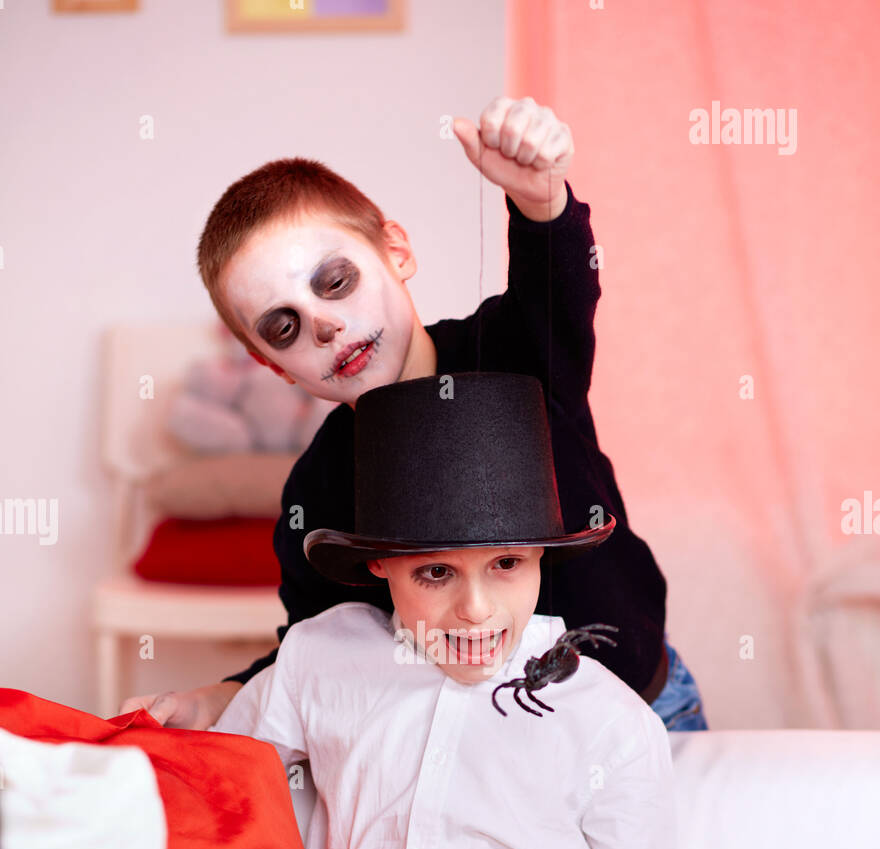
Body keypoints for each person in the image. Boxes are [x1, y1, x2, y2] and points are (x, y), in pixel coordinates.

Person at [121, 96, 707, 733]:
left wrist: (539, 198)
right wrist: (214, 698)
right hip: (488, 744)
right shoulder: (316, 493)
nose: (322, 325)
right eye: (283, 326)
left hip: (641, 709)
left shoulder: (514, 358)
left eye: (335, 281)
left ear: (395, 250)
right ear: (275, 367)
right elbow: (316, 650)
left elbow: (557, 283)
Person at [212, 373, 694, 849]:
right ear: (383, 565)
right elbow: (219, 789)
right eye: (436, 573)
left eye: (507, 564)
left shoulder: (610, 725)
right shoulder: (320, 658)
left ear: (542, 557)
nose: (476, 610)